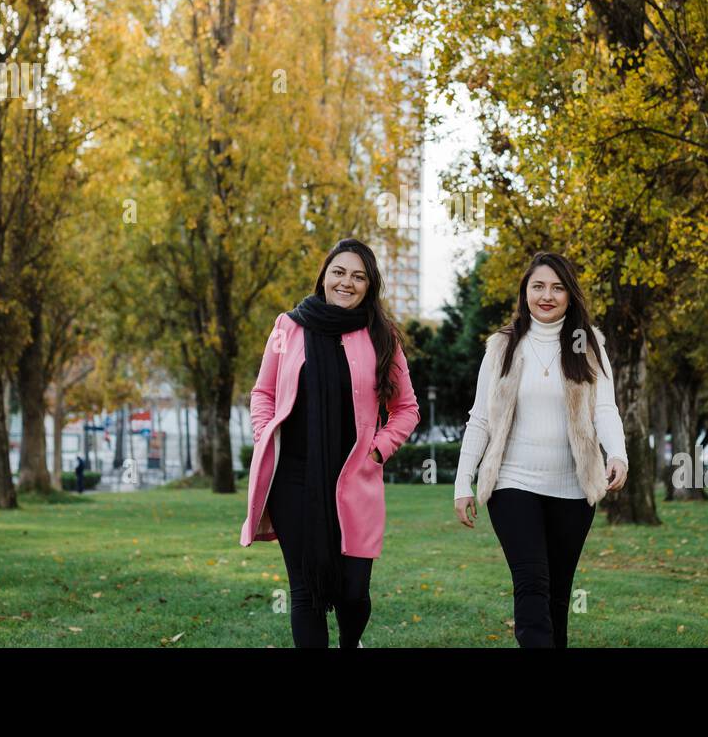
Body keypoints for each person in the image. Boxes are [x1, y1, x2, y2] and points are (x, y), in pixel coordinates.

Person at [240, 238, 421, 647]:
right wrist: (265, 437)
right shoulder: (288, 327)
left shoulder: (382, 336)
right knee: (305, 593)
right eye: (339, 272)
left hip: (356, 477)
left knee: (353, 592)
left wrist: (379, 448)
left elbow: (406, 408)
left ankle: (350, 642)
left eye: (358, 276)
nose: (347, 282)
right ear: (323, 277)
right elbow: (262, 393)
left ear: (368, 286)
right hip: (294, 480)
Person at [454, 251, 629, 647]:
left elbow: (605, 409)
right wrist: (464, 482)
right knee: (531, 585)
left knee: (556, 597)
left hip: (573, 488)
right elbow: (479, 418)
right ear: (525, 292)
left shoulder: (589, 345)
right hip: (513, 483)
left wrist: (616, 454)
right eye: (538, 287)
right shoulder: (502, 347)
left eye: (557, 287)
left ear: (570, 294)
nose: (546, 296)